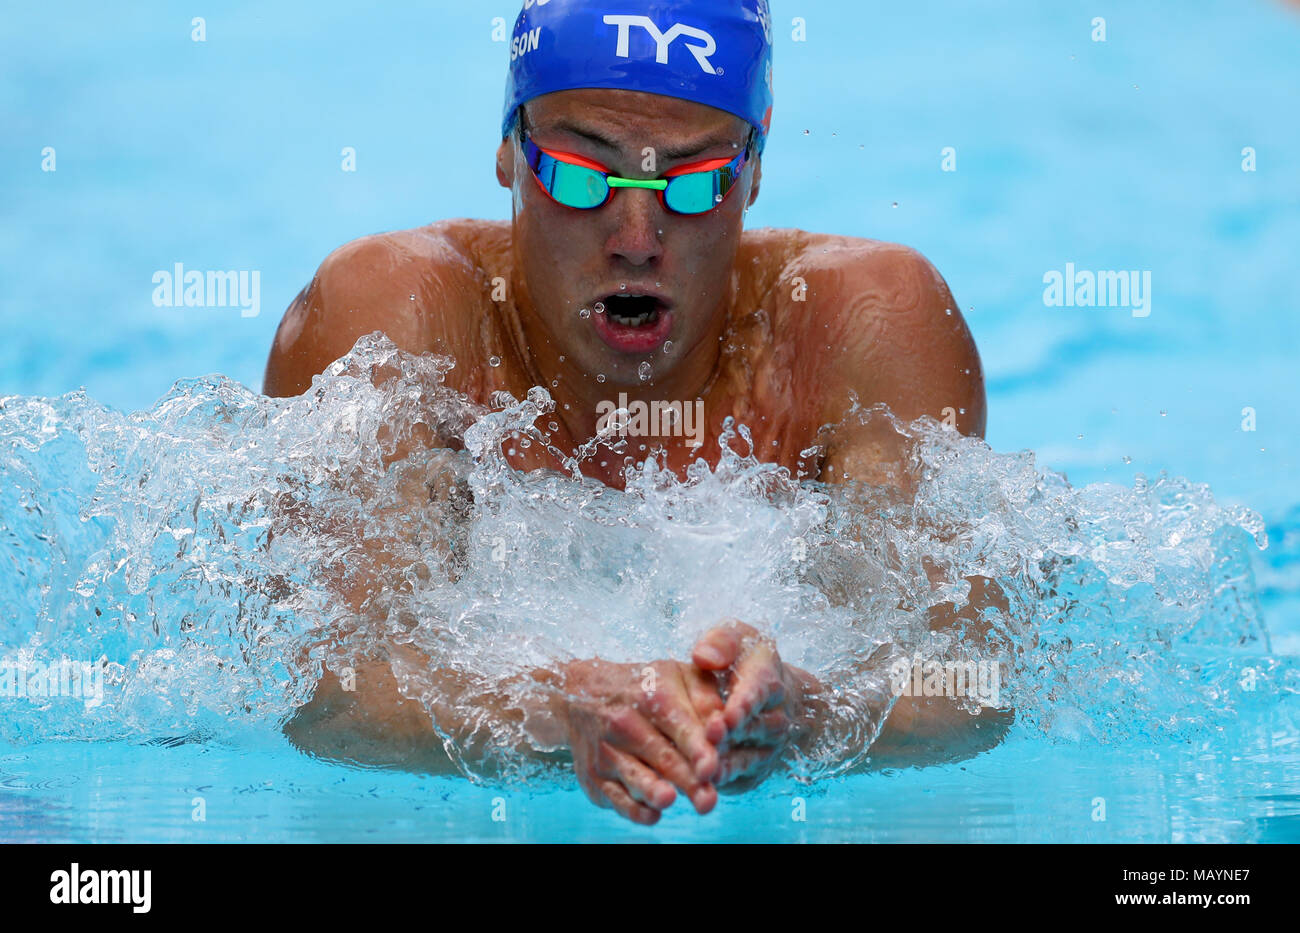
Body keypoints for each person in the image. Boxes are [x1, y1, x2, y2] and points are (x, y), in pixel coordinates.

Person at [265, 0, 1000, 826]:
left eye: (691, 187)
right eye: (582, 177)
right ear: (510, 151)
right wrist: (554, 709)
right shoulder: (396, 318)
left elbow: (969, 683)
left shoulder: (862, 326)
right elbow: (327, 691)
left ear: (753, 170)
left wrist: (813, 714)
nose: (636, 238)